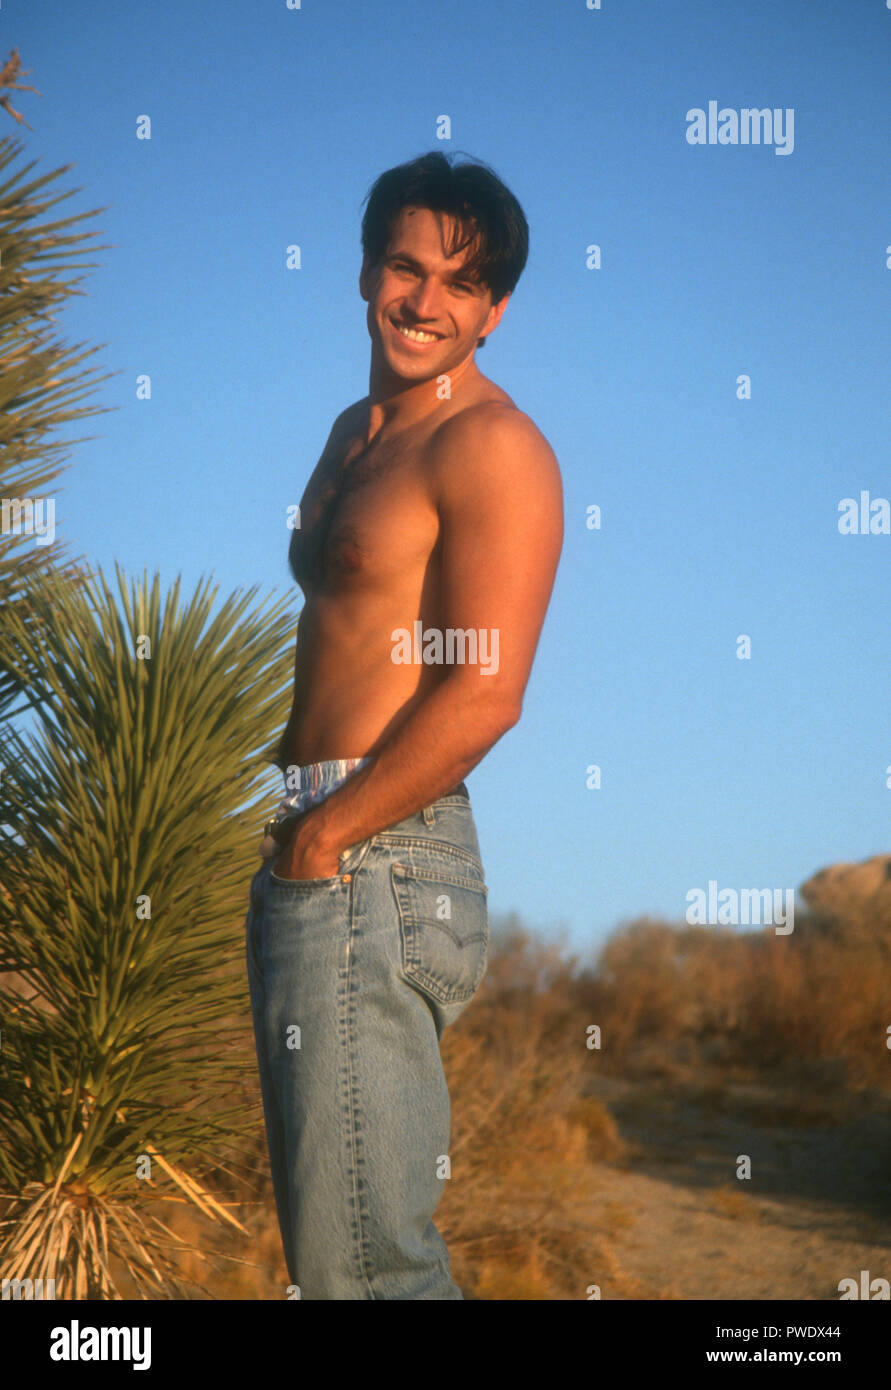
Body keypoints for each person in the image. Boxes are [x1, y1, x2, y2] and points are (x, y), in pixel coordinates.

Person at [244, 150, 563, 1299]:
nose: (426, 302)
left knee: (370, 1271)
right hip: (316, 838)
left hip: (379, 847)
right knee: (336, 1259)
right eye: (406, 267)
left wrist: (327, 838)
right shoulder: (351, 433)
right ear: (368, 270)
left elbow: (484, 691)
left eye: (462, 284)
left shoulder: (494, 447)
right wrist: (300, 836)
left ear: (496, 313)